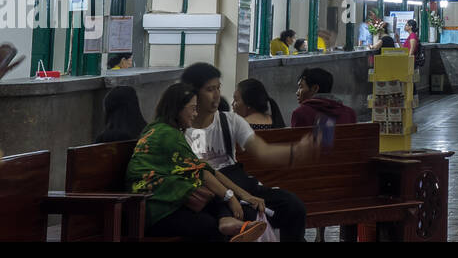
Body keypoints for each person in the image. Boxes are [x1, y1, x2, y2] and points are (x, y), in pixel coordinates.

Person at [181, 63, 313, 242]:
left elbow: (262, 150)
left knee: (293, 206)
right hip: (208, 193)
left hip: (239, 184)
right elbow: (201, 174)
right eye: (210, 89)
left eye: (218, 88)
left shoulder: (230, 120)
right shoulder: (181, 130)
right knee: (241, 215)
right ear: (193, 94)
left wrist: (296, 151)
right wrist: (238, 196)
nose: (217, 95)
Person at [126, 82, 267, 241]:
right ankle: (225, 222)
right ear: (178, 108)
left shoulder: (160, 129)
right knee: (208, 225)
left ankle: (226, 221)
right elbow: (202, 173)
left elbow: (206, 170)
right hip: (154, 209)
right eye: (193, 108)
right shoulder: (167, 135)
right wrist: (231, 198)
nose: (195, 114)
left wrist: (242, 196)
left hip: (166, 201)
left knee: (215, 206)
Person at [291, 66, 359, 129]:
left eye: (301, 87)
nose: (297, 92)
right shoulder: (350, 113)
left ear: (315, 88)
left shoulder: (300, 114)